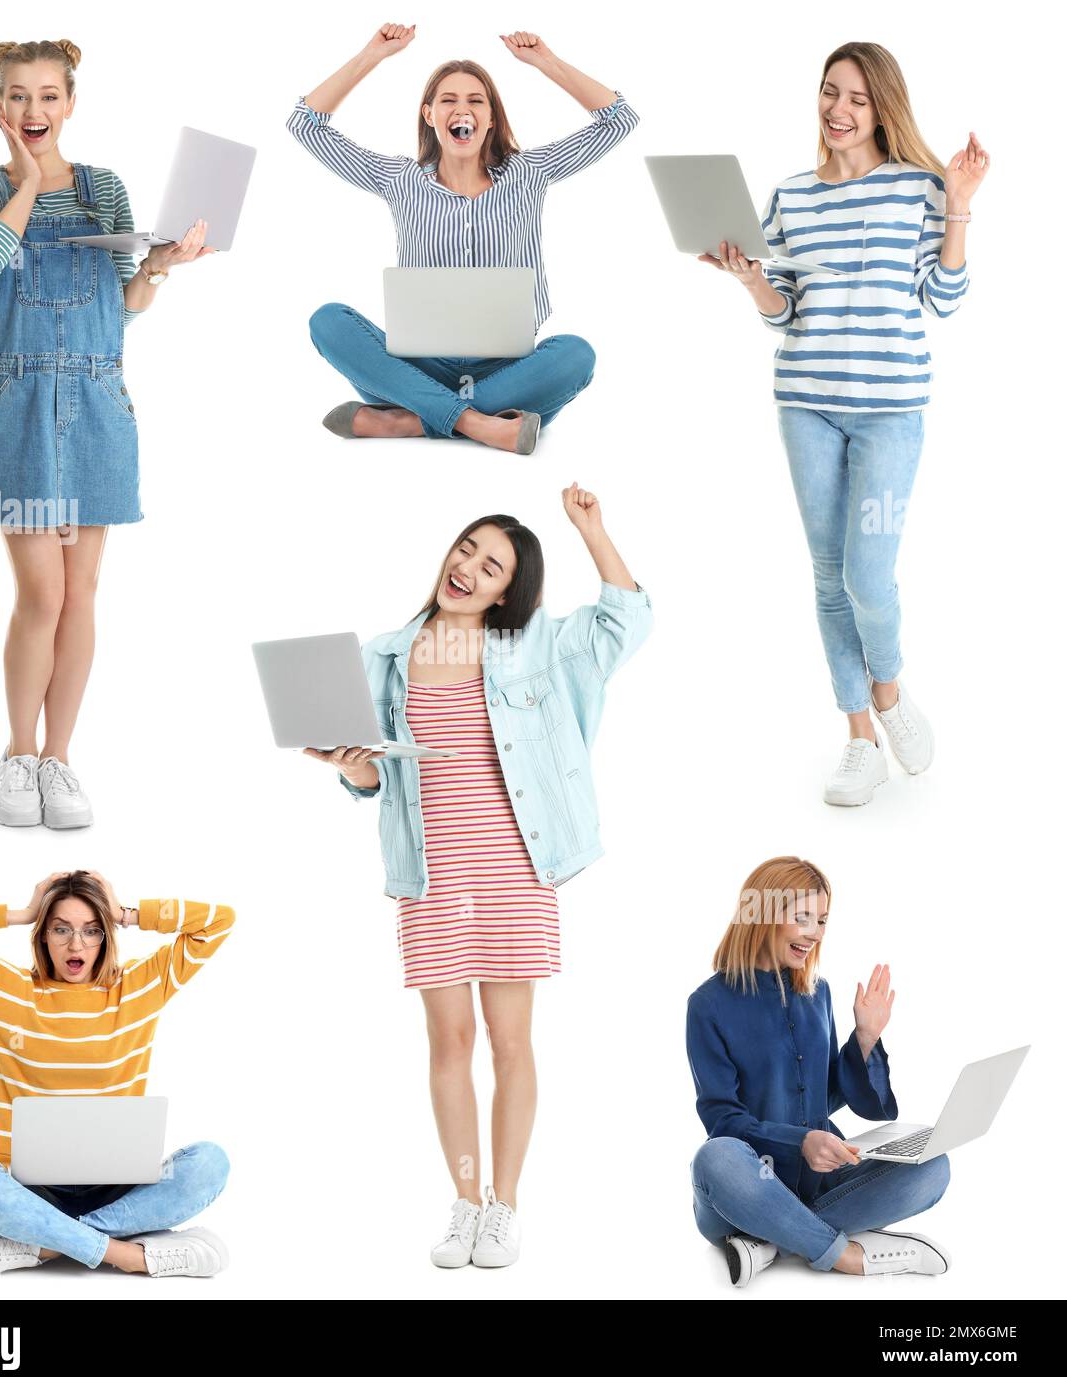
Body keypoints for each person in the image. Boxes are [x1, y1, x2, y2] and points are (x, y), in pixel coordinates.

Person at [305, 484, 651, 1266]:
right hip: (429, 873)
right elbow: (369, 786)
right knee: (448, 1042)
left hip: (513, 867)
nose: (467, 568)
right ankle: (464, 1202)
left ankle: (507, 1206)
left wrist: (593, 532)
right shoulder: (382, 657)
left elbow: (627, 621)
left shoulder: (534, 646)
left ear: (508, 589)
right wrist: (353, 770)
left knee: (510, 1041)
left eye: (491, 566)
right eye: (466, 548)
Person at [698, 43, 988, 805]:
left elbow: (946, 300)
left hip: (892, 409)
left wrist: (957, 203)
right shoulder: (791, 195)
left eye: (857, 98)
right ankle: (860, 737)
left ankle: (889, 694)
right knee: (829, 577)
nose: (839, 109)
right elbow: (783, 310)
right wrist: (750, 279)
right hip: (807, 405)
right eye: (831, 92)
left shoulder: (916, 189)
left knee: (868, 573)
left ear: (882, 107)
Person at [0, 39, 213, 829]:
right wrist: (28, 182)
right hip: (21, 404)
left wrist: (162, 265)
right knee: (43, 593)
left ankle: (61, 761)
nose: (35, 111)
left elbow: (124, 306)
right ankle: (18, 754)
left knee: (83, 595)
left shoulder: (105, 191)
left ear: (71, 104)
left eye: (48, 97)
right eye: (19, 98)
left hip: (99, 403)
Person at [289, 24, 638, 452]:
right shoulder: (400, 180)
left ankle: (410, 421)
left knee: (576, 355)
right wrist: (372, 55)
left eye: (476, 101)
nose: (463, 110)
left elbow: (619, 119)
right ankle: (479, 423)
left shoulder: (527, 174)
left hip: (507, 372)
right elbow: (306, 125)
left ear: (490, 118)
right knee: (328, 321)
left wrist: (545, 61)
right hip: (416, 369)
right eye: (448, 101)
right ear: (429, 115)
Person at [0, 871, 234, 1277]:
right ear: (43, 935)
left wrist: (125, 913)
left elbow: (219, 920)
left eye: (92, 930)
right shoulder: (5, 988)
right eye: (60, 928)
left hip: (122, 1190)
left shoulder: (138, 986)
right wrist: (23, 913)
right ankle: (127, 1255)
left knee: (210, 1162)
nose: (76, 944)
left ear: (106, 936)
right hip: (30, 1192)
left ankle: (46, 1246)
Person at [686, 856, 951, 1287]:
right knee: (715, 1157)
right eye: (803, 917)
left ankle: (771, 1244)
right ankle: (843, 1254)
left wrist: (865, 1038)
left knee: (933, 1165)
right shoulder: (708, 1005)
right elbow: (722, 1119)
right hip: (746, 1185)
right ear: (763, 914)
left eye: (823, 920)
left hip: (819, 1181)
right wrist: (801, 1141)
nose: (815, 933)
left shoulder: (818, 992)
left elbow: (824, 1095)